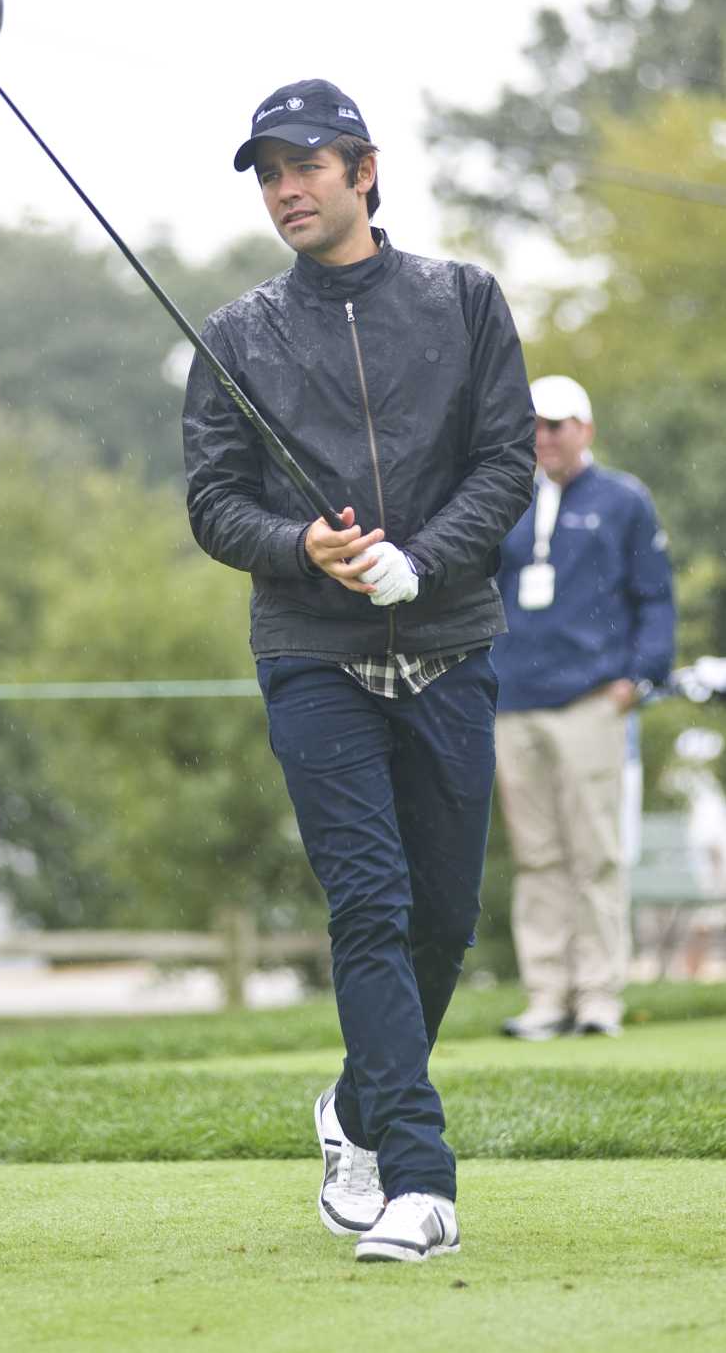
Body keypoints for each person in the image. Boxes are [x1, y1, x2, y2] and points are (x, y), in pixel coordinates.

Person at [182, 79, 535, 1264]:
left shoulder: (463, 301)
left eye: (306, 167)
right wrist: (302, 548)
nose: (286, 189)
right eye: (268, 173)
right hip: (311, 657)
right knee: (371, 907)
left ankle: (353, 1107)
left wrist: (418, 566)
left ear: (363, 170)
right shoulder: (234, 335)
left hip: (451, 642)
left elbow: (503, 464)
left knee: (441, 919)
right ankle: (418, 1181)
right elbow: (212, 503)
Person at [493, 376, 675, 1040]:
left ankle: (598, 997)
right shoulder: (508, 497)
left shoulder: (623, 499)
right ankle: (548, 997)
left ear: (585, 429)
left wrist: (638, 678)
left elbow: (654, 596)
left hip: (592, 699)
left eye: (557, 425)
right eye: (535, 425)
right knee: (537, 856)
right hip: (514, 700)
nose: (544, 437)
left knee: (594, 853)